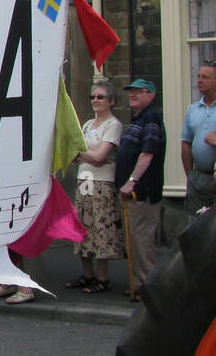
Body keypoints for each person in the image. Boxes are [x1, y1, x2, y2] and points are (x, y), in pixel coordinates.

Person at [67, 80, 125, 294]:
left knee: (102, 227)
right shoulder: (87, 124)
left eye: (100, 97)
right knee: (83, 225)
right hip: (85, 180)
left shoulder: (113, 125)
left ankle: (102, 277)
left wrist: (81, 155)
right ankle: (87, 274)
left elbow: (100, 157)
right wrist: (83, 156)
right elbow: (78, 156)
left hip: (103, 182)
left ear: (111, 101)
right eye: (93, 97)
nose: (95, 100)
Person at [116, 78, 166, 300]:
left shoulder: (151, 117)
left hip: (143, 190)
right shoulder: (139, 119)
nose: (133, 95)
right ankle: (139, 284)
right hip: (135, 192)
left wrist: (132, 180)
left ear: (151, 95)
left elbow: (148, 152)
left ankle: (149, 287)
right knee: (134, 240)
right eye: (131, 92)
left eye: (139, 91)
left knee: (142, 240)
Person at [179, 59, 216, 213]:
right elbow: (186, 143)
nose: (200, 81)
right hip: (199, 177)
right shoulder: (193, 109)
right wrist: (190, 176)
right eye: (198, 76)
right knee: (196, 221)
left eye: (205, 77)